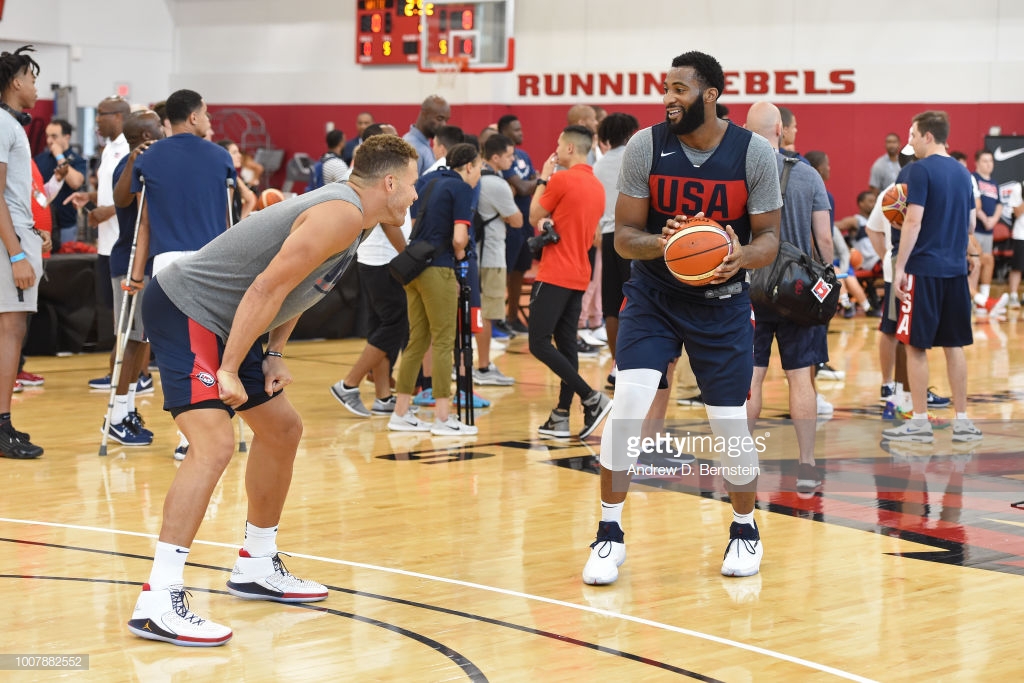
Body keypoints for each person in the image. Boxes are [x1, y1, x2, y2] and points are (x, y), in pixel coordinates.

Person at [126, 134, 421, 647]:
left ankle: (256, 563)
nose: (415, 196)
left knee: (282, 430)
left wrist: (275, 354)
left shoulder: (354, 217)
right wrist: (232, 368)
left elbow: (299, 288)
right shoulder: (342, 214)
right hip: (187, 309)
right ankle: (158, 598)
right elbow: (265, 287)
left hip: (231, 321)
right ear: (389, 182)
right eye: (412, 186)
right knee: (214, 445)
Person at [581, 51, 781, 585]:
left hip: (722, 305)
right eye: (665, 89)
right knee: (628, 403)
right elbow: (624, 236)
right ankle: (608, 534)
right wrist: (667, 245)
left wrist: (738, 257)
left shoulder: (753, 154)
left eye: (679, 89)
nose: (668, 98)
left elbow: (768, 239)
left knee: (727, 424)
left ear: (710, 94)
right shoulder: (647, 145)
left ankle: (745, 528)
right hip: (654, 299)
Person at [744, 101, 833, 494]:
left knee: (751, 379)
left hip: (748, 290)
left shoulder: (737, 172)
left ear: (746, 130)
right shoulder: (809, 175)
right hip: (797, 293)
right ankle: (807, 468)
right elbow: (825, 240)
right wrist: (827, 278)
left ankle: (741, 464)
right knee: (801, 381)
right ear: (780, 128)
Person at [883, 111, 983, 444]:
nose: (908, 141)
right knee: (954, 347)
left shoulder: (919, 170)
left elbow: (913, 222)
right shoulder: (963, 172)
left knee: (915, 347)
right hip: (954, 271)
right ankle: (964, 421)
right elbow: (971, 226)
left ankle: (921, 423)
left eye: (912, 135)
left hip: (923, 271)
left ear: (928, 136)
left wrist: (899, 268)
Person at [387, 142, 480, 437]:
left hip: (413, 266)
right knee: (443, 341)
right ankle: (442, 418)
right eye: (479, 168)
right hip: (438, 268)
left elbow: (414, 223)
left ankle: (400, 414)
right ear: (468, 167)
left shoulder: (427, 182)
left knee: (417, 341)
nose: (478, 175)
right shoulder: (462, 188)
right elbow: (458, 239)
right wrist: (462, 261)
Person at [526, 125, 611, 440]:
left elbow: (534, 211)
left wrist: (543, 179)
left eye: (559, 144)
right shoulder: (596, 186)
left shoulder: (560, 179)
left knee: (538, 342)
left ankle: (591, 396)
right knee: (566, 344)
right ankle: (561, 416)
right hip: (579, 273)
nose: (556, 148)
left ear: (571, 149)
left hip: (555, 272)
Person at [330, 123, 412, 417]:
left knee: (382, 327)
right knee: (394, 325)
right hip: (384, 261)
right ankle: (349, 384)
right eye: (392, 137)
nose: (397, 141)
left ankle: (383, 396)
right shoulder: (375, 176)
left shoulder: (372, 171)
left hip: (374, 260)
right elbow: (387, 218)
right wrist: (407, 256)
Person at [104, 110, 167, 446]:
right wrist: (131, 164)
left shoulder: (154, 162)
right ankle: (116, 416)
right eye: (159, 125)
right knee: (129, 343)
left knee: (140, 342)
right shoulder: (128, 164)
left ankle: (125, 409)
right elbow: (121, 199)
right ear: (146, 136)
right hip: (130, 264)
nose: (164, 127)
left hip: (150, 263)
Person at [0, 45, 45, 459]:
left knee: (12, 333)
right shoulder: (2, 124)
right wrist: (16, 254)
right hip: (7, 246)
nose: (36, 87)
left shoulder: (11, 126)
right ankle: (1, 426)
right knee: (9, 333)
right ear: (16, 82)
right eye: (32, 79)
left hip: (16, 237)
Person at [594, 112, 639, 389]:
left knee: (611, 305)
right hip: (632, 237)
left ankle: (615, 365)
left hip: (608, 237)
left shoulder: (598, 166)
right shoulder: (633, 159)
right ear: (630, 133)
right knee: (634, 302)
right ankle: (629, 365)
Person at [473, 133, 522, 386]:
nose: (513, 160)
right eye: (509, 156)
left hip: (472, 254)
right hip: (492, 255)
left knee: (471, 311)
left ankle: (466, 365)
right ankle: (482, 367)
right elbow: (517, 220)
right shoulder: (498, 185)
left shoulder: (472, 176)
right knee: (488, 314)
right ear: (495, 157)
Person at [496, 114, 537, 336]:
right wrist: (534, 182)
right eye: (516, 130)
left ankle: (512, 317)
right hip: (507, 224)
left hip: (526, 221)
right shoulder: (501, 158)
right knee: (504, 270)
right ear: (504, 132)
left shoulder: (524, 156)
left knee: (520, 269)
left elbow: (527, 184)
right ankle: (496, 318)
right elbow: (524, 187)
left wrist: (530, 183)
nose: (521, 133)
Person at [34, 118, 86, 249]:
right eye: (47, 136)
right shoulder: (40, 159)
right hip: (42, 223)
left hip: (66, 224)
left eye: (54, 136)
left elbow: (75, 183)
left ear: (66, 137)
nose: (49, 141)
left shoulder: (77, 160)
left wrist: (59, 156)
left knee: (64, 264)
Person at [970, 149, 1002, 313]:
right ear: (977, 163)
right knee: (976, 262)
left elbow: (999, 204)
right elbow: (974, 205)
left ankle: (984, 296)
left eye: (991, 161)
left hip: (988, 231)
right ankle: (975, 301)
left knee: (987, 261)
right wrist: (984, 219)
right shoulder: (974, 179)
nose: (988, 164)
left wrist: (994, 220)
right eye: (985, 161)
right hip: (975, 229)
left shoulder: (995, 183)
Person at [404, 95, 451, 176]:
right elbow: (407, 186)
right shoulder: (412, 147)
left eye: (446, 120)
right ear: (424, 114)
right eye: (439, 119)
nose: (443, 125)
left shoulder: (424, 145)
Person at [217, 139, 257, 224]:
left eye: (238, 152)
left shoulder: (236, 179)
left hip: (230, 231)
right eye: (234, 152)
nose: (240, 156)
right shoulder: (219, 179)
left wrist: (239, 222)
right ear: (224, 155)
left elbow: (251, 200)